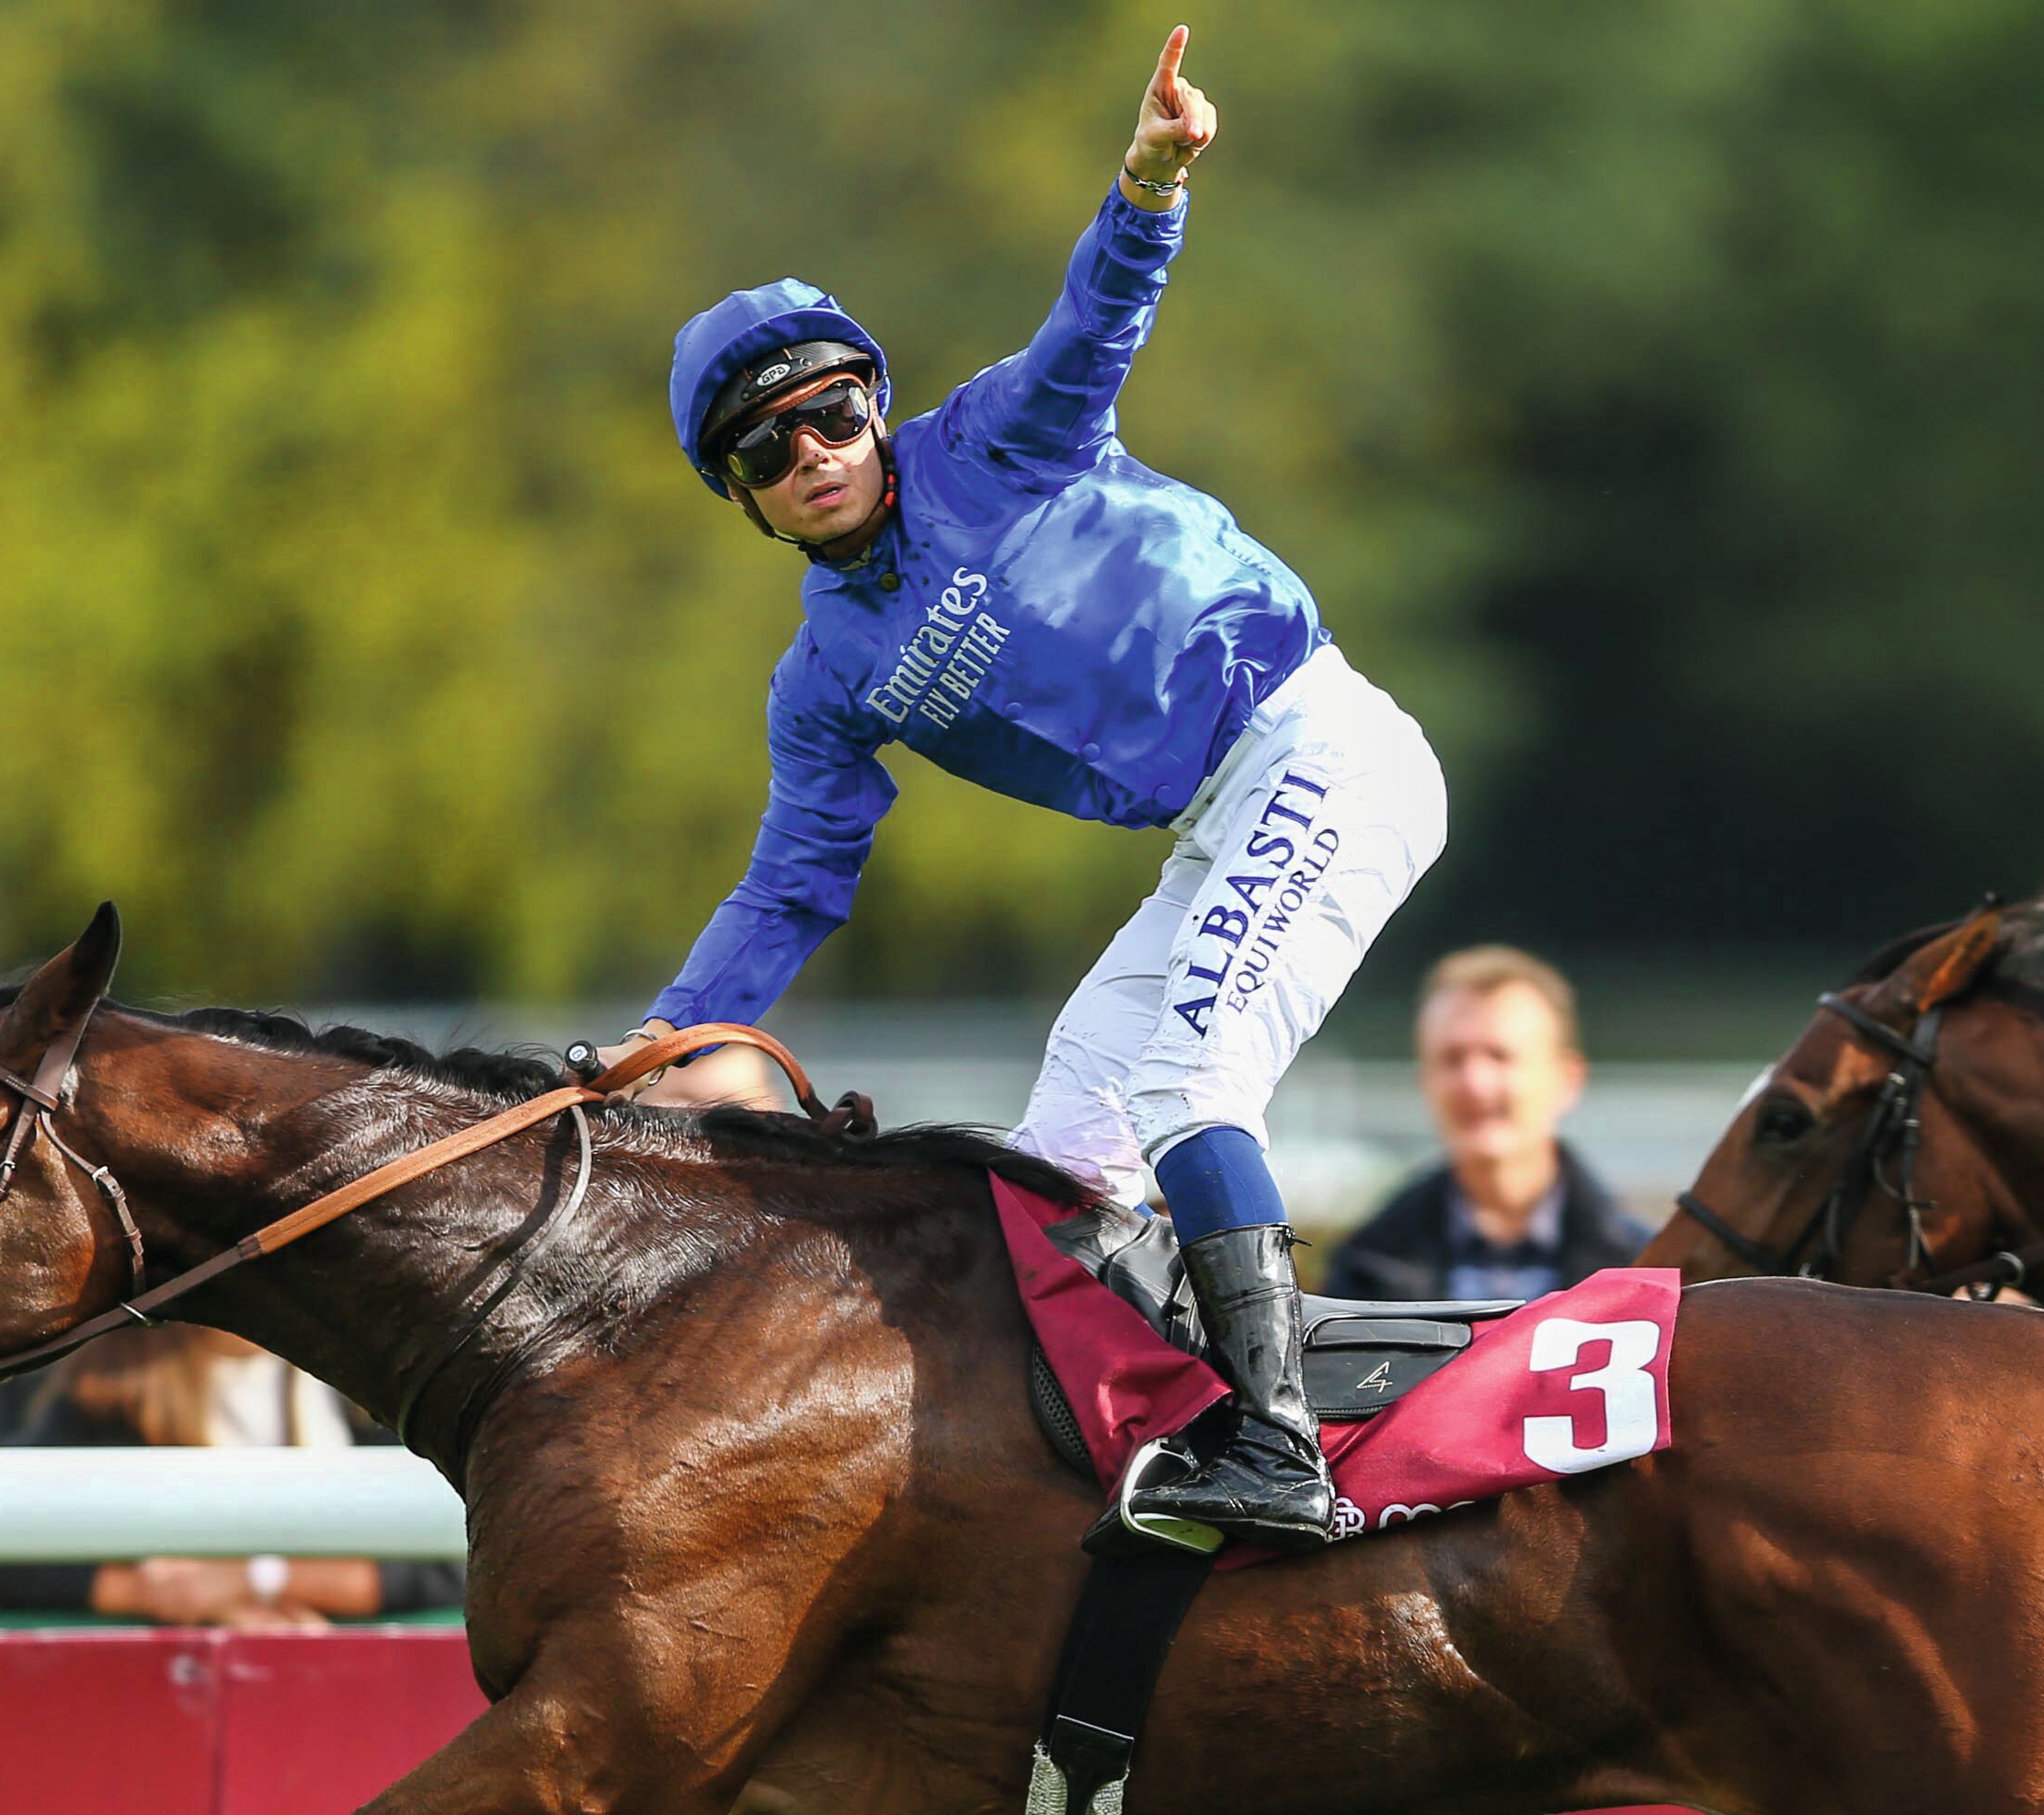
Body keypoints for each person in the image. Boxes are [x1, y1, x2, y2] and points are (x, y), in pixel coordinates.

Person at [582, 28, 1445, 1552]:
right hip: (1222, 823)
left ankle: (1281, 1448)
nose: (813, 454)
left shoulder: (993, 439)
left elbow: (1097, 319)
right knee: (1061, 1159)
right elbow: (791, 886)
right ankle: (1126, 1443)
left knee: (1188, 1086)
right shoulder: (823, 681)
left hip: (1321, 748)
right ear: (742, 497)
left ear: (876, 402)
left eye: (831, 413)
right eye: (767, 450)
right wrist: (668, 1035)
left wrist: (1149, 182)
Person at [0, 1326, 465, 1625]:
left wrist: (250, 1582)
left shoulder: (369, 1382)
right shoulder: (110, 1385)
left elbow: (450, 1564)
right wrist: (155, 1593)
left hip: (343, 1691)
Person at [1325, 949, 1650, 1304]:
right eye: (1452, 1059)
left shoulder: (1646, 1272)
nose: (1474, 1083)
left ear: (1567, 1080)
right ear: (1424, 1080)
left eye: (1500, 1056)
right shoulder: (1362, 1274)